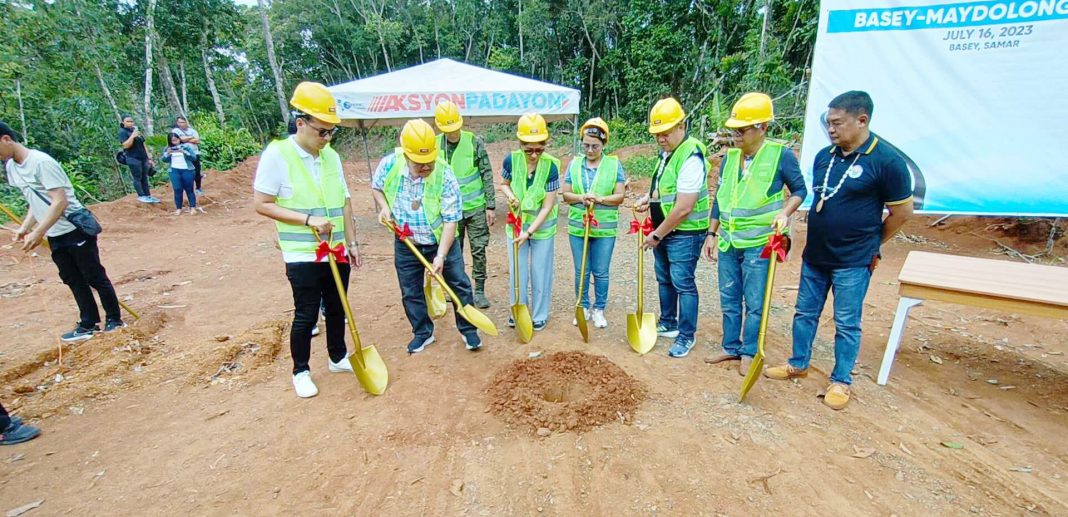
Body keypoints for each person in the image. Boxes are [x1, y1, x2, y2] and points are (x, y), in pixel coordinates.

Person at [764, 91, 914, 410]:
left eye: (837, 123)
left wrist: (872, 242)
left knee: (846, 322)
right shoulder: (824, 156)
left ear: (862, 120)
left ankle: (841, 380)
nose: (831, 129)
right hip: (816, 255)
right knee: (804, 312)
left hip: (853, 261)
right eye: (829, 123)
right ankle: (798, 363)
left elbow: (902, 213)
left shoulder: (887, 162)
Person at [253, 82, 362, 399]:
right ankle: (300, 371)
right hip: (302, 253)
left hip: (336, 250)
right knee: (306, 313)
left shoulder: (331, 157)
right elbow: (262, 203)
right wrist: (307, 220)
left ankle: (337, 356)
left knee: (338, 306)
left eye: (332, 132)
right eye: (322, 131)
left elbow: (344, 201)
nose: (327, 138)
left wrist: (352, 242)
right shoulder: (278, 155)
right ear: (301, 123)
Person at [702, 93, 807, 375]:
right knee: (729, 297)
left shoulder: (780, 156)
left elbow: (800, 190)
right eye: (733, 130)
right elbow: (720, 198)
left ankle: (750, 351)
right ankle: (730, 346)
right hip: (729, 241)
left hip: (759, 244)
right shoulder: (729, 158)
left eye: (742, 130)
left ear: (763, 127)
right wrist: (711, 233)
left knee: (755, 301)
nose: (736, 135)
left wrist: (785, 212)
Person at [2, 120, 126, 342]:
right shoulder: (12, 167)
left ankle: (114, 319)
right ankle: (88, 323)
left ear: (6, 139)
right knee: (72, 278)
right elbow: (35, 200)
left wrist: (38, 232)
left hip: (73, 228)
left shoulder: (41, 162)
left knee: (94, 275)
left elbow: (59, 201)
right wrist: (26, 227)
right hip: (54, 233)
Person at [371, 119, 483, 354]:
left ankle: (468, 329)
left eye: (429, 161)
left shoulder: (445, 174)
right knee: (410, 290)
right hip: (406, 242)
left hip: (441, 242)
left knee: (459, 284)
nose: (426, 167)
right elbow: (377, 187)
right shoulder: (389, 165)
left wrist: (440, 256)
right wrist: (384, 207)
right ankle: (422, 332)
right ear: (406, 155)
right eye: (419, 163)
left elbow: (451, 220)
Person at [636, 98, 710, 358]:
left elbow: (684, 207)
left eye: (665, 133)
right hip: (666, 231)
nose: (660, 138)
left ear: (681, 126)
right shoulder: (667, 153)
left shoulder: (691, 155)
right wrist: (649, 199)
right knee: (664, 278)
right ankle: (669, 321)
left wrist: (656, 235)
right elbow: (665, 188)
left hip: (684, 233)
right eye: (657, 134)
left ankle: (686, 335)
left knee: (683, 282)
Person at [560, 117, 624, 328]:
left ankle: (599, 309)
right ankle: (583, 306)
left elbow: (620, 196)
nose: (589, 150)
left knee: (601, 271)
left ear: (604, 144)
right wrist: (581, 198)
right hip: (578, 227)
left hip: (604, 230)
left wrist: (600, 199)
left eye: (595, 146)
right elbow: (566, 194)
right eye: (586, 145)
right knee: (581, 270)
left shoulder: (614, 165)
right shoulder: (574, 164)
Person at [434, 100, 496, 309]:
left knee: (479, 249)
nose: (452, 133)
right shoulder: (434, 145)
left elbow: (487, 174)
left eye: (454, 128)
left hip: (475, 208)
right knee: (453, 252)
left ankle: (479, 291)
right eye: (447, 129)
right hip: (449, 211)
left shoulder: (474, 142)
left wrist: (490, 206)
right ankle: (456, 289)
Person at [501, 113, 560, 331]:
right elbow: (504, 184)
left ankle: (539, 315)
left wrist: (529, 232)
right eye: (529, 150)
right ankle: (517, 309)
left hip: (542, 229)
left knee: (540, 271)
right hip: (516, 227)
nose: (534, 155)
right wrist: (510, 196)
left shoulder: (551, 167)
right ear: (520, 143)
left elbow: (547, 206)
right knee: (518, 271)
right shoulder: (510, 160)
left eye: (539, 149)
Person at [117, 115, 158, 203]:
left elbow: (143, 144)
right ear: (123, 122)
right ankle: (141, 195)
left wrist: (149, 158)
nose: (130, 123)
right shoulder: (123, 132)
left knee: (144, 176)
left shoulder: (135, 131)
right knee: (137, 177)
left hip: (143, 157)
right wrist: (132, 136)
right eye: (128, 121)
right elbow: (125, 145)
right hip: (132, 157)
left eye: (131, 121)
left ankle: (148, 195)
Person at [161, 132, 200, 215]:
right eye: (173, 141)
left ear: (179, 139)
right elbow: (163, 160)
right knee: (177, 189)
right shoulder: (167, 148)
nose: (175, 142)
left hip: (187, 170)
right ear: (170, 141)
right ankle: (178, 208)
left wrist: (185, 152)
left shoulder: (186, 147)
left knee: (189, 189)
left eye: (176, 140)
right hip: (174, 171)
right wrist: (167, 154)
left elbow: (194, 158)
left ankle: (192, 207)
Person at [172, 116, 203, 195]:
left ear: (186, 122)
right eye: (179, 122)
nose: (181, 124)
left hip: (195, 153)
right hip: (182, 155)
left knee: (197, 171)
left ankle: (198, 187)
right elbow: (179, 139)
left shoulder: (193, 131)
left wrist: (185, 139)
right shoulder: (175, 131)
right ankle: (188, 189)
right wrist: (190, 137)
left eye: (182, 122)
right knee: (186, 172)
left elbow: (197, 141)